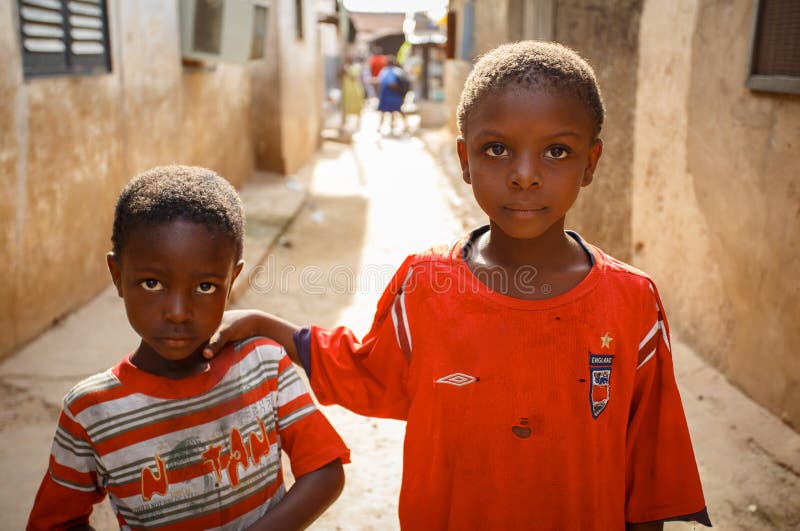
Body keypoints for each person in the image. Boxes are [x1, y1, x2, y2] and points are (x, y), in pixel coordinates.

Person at [204, 41, 711, 530]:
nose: (525, 175)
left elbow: (650, 466)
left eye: (557, 151)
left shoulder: (631, 302)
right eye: (497, 149)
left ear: (591, 163)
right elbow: (365, 370)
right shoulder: (426, 286)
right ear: (466, 160)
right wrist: (269, 327)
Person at [27, 166, 349, 530]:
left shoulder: (264, 363)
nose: (178, 313)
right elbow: (55, 523)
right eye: (152, 283)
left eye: (206, 287)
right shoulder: (90, 411)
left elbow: (325, 471)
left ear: (232, 281)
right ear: (118, 276)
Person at [376, 55, 409, 134]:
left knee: (385, 110)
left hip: (389, 94)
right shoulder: (398, 71)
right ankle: (402, 125)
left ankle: (383, 126)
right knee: (396, 110)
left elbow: (391, 83)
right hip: (394, 95)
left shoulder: (386, 71)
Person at [339, 55, 365, 131]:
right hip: (347, 90)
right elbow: (339, 75)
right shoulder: (344, 67)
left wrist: (346, 68)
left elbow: (353, 75)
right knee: (346, 106)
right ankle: (344, 124)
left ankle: (358, 123)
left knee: (358, 107)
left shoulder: (356, 67)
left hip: (356, 90)